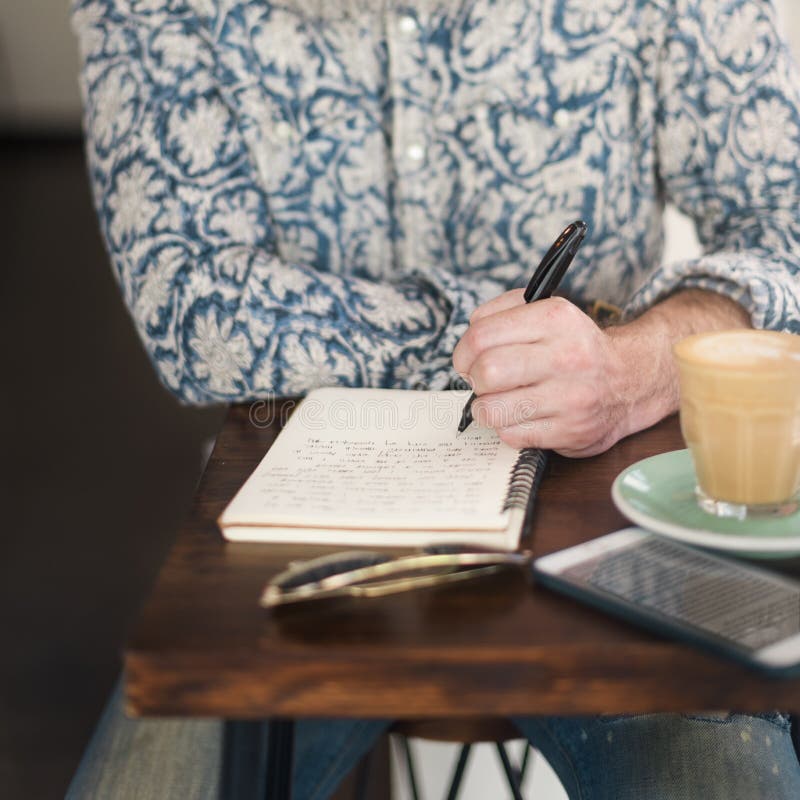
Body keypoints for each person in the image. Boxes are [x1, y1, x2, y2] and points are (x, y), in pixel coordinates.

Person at [68, 0, 800, 797]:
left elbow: (783, 228)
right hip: (297, 524)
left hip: (614, 506)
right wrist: (534, 334)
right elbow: (189, 309)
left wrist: (633, 369)